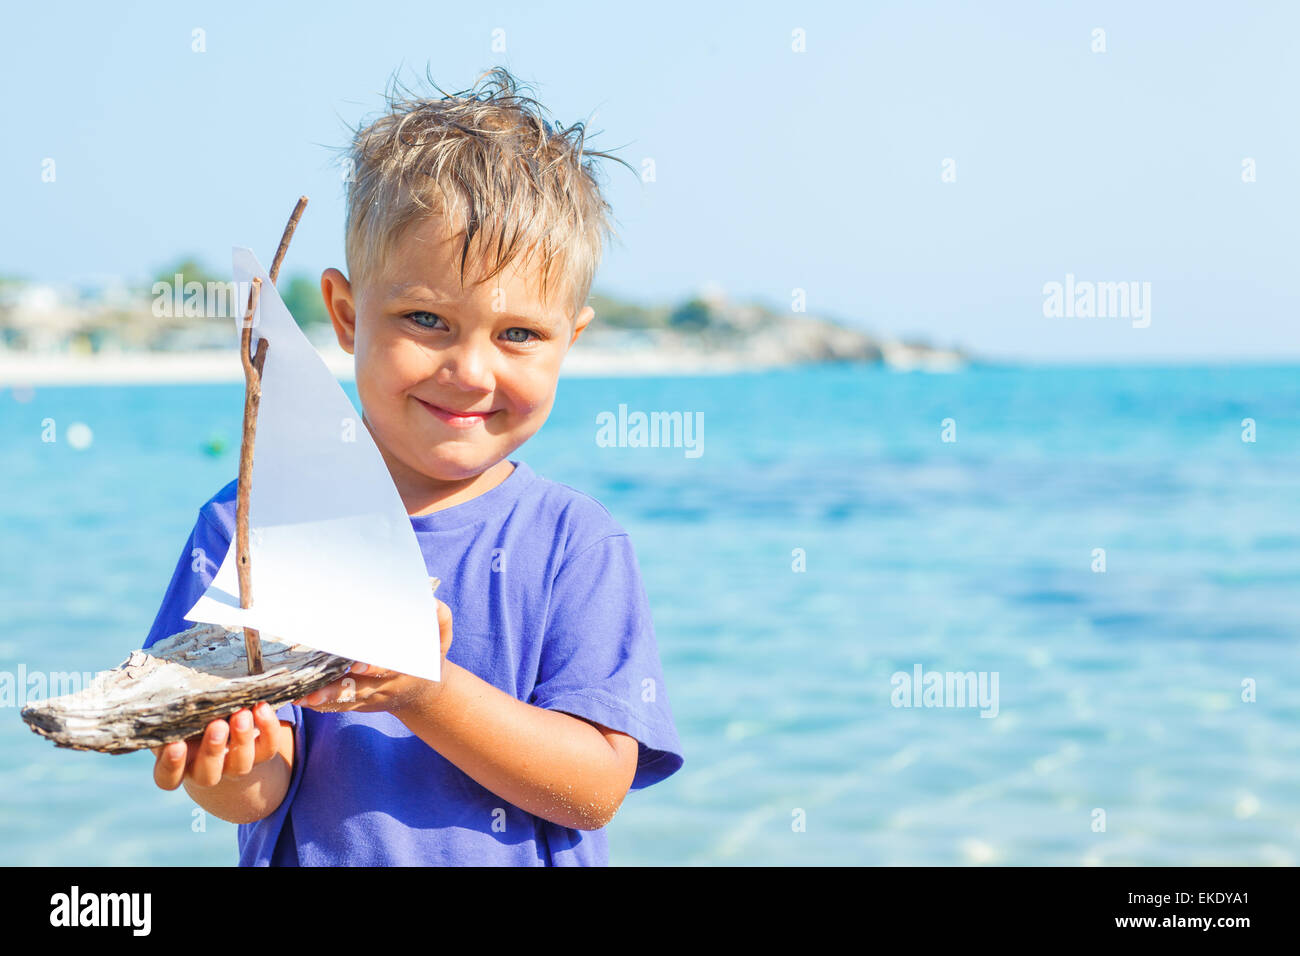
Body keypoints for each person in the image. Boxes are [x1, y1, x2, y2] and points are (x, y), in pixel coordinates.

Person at [144, 66, 684, 865]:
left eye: (520, 336)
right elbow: (254, 793)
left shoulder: (577, 543)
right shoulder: (253, 526)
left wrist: (422, 687)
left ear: (571, 338)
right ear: (345, 314)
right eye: (426, 319)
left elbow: (594, 785)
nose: (470, 371)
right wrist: (227, 756)